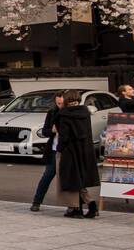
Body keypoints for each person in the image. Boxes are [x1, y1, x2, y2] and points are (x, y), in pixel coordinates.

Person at [55, 89, 99, 218]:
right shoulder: (85, 112)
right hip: (85, 149)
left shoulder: (64, 114)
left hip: (70, 151)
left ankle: (89, 206)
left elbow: (64, 136)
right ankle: (79, 208)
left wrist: (59, 148)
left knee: (73, 180)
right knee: (79, 180)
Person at [29, 92, 64, 212]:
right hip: (54, 150)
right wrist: (52, 130)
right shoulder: (52, 112)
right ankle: (36, 201)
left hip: (66, 150)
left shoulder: (70, 113)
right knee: (47, 176)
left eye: (62, 103)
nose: (60, 105)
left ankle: (76, 206)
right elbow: (44, 131)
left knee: (70, 179)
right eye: (58, 103)